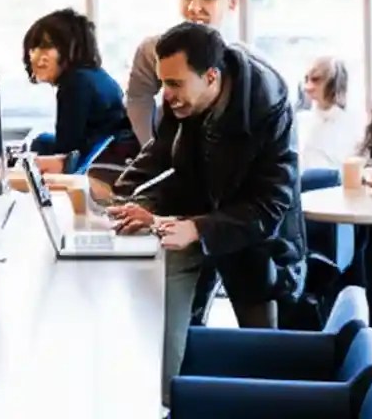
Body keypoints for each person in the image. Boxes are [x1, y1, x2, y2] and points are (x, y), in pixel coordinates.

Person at [106, 23, 306, 404]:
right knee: (178, 328)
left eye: (176, 84)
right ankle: (167, 403)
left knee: (261, 366)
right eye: (164, 83)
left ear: (211, 76)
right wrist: (123, 195)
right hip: (201, 221)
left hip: (257, 239)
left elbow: (270, 204)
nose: (168, 94)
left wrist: (197, 228)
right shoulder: (186, 97)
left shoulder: (267, 105)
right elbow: (164, 153)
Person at [126, 0, 239, 148]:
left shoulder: (242, 60)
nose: (194, 7)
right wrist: (150, 146)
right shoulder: (153, 48)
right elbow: (137, 97)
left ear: (232, 2)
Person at [22, 8, 138, 176]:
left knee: (39, 145)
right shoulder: (95, 75)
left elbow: (66, 149)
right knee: (41, 141)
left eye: (46, 47)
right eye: (34, 48)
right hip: (106, 154)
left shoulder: (75, 83)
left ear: (70, 47)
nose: (37, 56)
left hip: (97, 164)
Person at [296, 56, 361, 170]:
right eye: (306, 79)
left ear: (333, 83)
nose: (307, 87)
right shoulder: (300, 120)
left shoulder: (354, 125)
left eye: (316, 79)